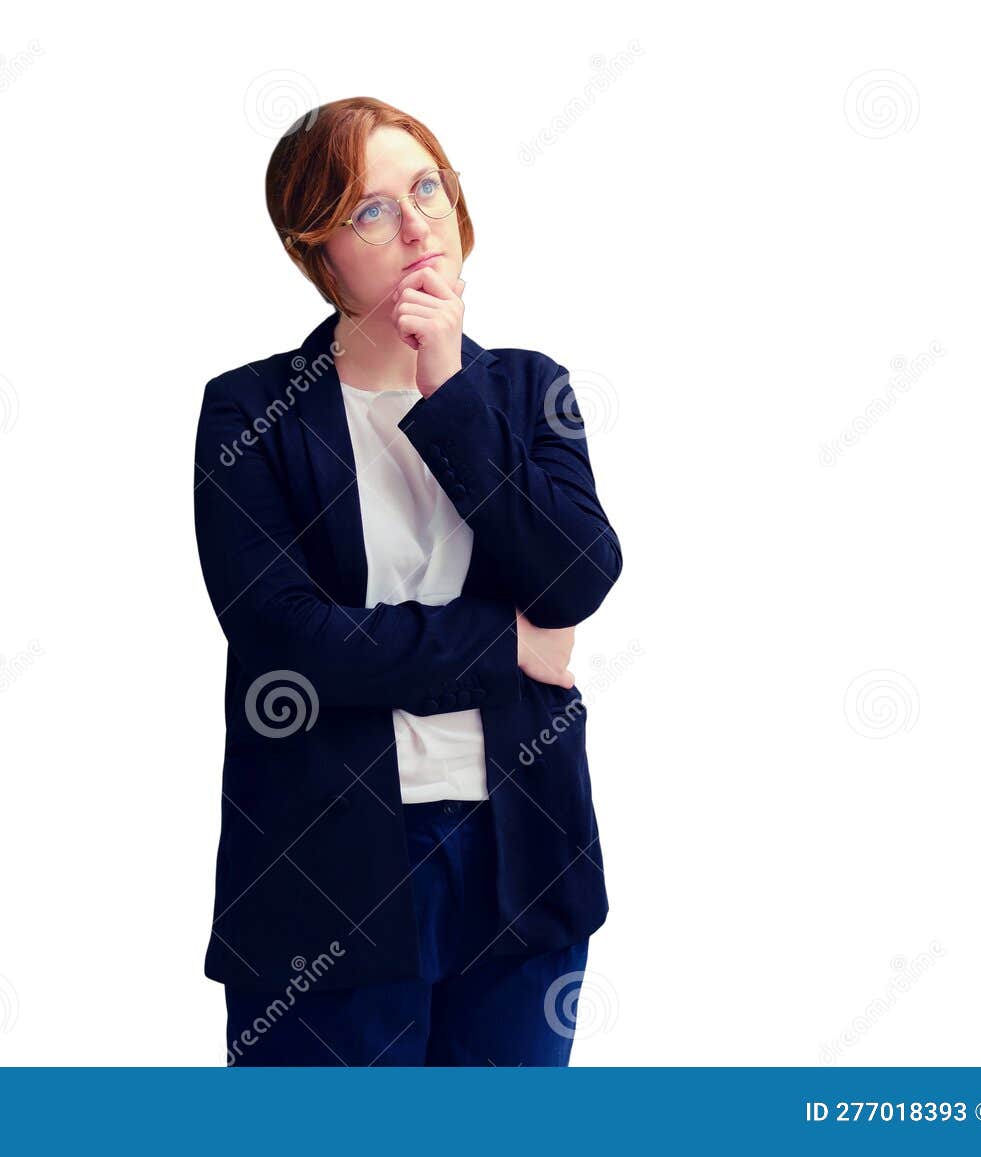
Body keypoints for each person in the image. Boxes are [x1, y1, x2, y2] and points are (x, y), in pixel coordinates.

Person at [193, 96, 623, 1066]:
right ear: (318, 254)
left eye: (426, 185)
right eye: (369, 209)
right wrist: (506, 645)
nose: (417, 220)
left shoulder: (521, 388)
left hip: (520, 864)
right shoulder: (249, 412)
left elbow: (576, 575)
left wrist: (450, 398)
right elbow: (289, 640)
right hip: (323, 875)